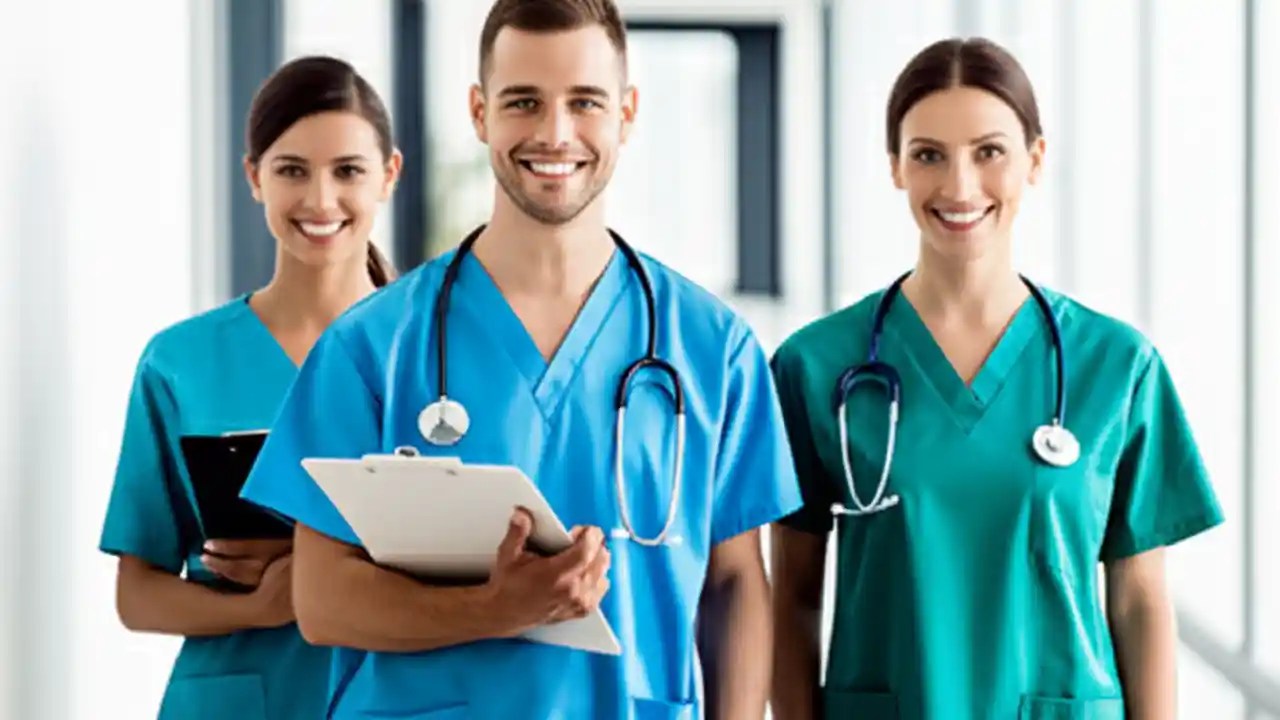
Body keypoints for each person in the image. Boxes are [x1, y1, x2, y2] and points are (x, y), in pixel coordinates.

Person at [237, 0, 801, 718]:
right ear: (480, 113)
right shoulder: (371, 348)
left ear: (627, 113)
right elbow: (323, 603)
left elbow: (735, 585)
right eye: (523, 102)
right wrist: (497, 608)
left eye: (585, 102)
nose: (554, 133)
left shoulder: (713, 351)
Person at [768, 37, 1224, 720]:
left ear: (1034, 160)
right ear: (894, 166)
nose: (959, 187)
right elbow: (793, 598)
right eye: (928, 155)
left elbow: (1138, 601)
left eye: (989, 152)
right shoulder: (816, 367)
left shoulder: (1117, 366)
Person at [98, 55, 402, 719]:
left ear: (389, 175)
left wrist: (325, 570)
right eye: (292, 169)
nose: (320, 200)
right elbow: (137, 593)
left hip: (391, 697)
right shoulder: (181, 362)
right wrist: (264, 603)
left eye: (347, 170)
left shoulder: (430, 358)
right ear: (254, 177)